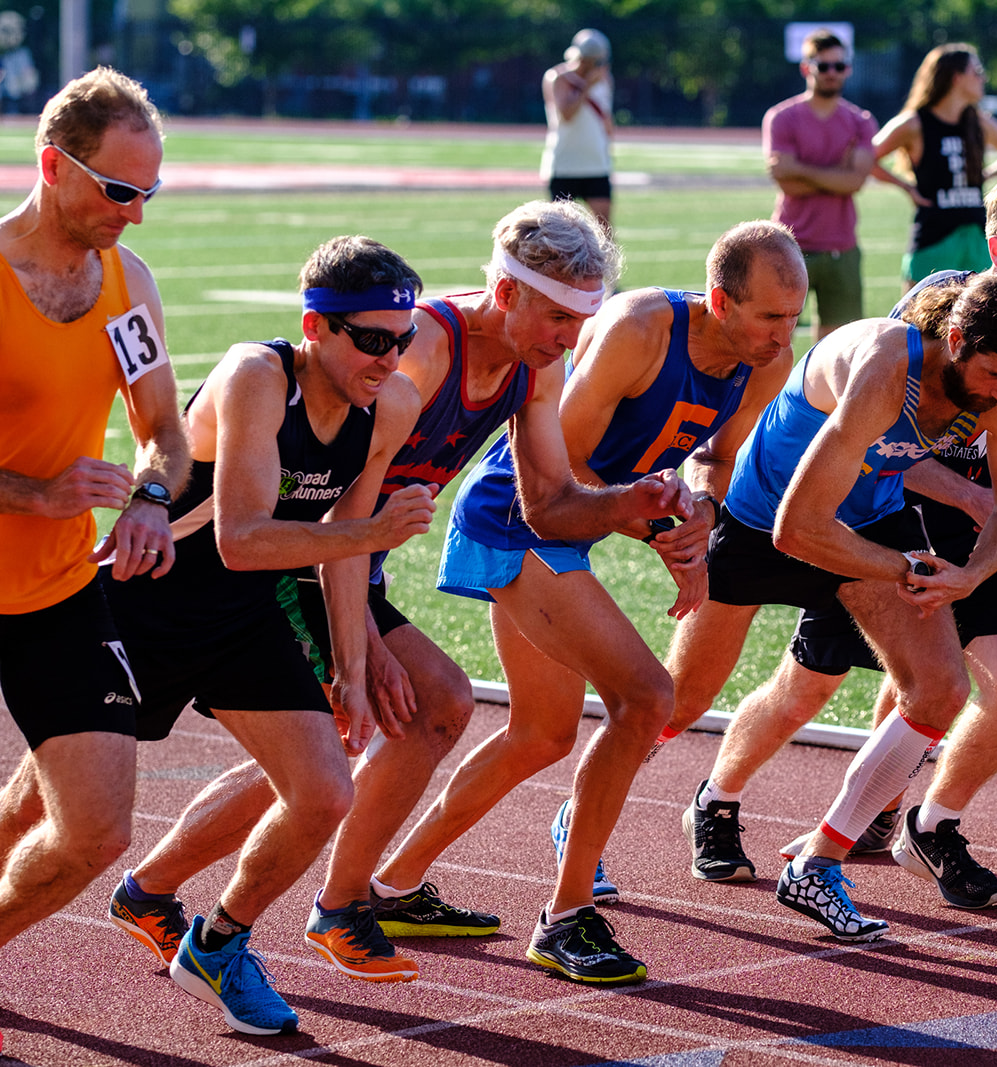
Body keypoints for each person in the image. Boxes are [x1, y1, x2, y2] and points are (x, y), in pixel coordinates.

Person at [107, 200, 618, 986]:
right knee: (375, 722)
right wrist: (362, 646)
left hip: (329, 553)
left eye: (582, 318)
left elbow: (544, 500)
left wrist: (640, 509)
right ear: (509, 293)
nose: (569, 336)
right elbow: (310, 512)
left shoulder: (528, 367)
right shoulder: (409, 362)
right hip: (267, 560)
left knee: (400, 718)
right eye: (557, 314)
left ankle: (246, 901)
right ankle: (274, 901)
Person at [661, 177, 997, 914]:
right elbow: (797, 528)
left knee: (941, 687)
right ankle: (657, 806)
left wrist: (967, 575)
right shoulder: (887, 365)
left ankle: (819, 861)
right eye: (996, 377)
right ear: (960, 341)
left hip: (876, 513)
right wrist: (909, 567)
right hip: (767, 514)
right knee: (682, 698)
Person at [376, 221, 807, 985]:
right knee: (646, 698)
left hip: (578, 524)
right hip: (517, 518)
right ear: (719, 300)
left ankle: (393, 885)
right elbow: (557, 474)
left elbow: (718, 460)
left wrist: (696, 516)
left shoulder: (760, 362)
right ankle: (568, 914)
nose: (785, 335)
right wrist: (651, 520)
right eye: (772, 317)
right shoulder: (641, 329)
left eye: (796, 315)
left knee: (540, 735)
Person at [102, 236, 433, 1035]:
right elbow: (241, 539)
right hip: (145, 602)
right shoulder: (258, 375)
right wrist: (374, 530)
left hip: (243, 616)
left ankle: (218, 943)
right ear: (317, 328)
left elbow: (347, 535)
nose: (391, 356)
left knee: (325, 791)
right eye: (372, 338)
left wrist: (353, 666)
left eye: (405, 337)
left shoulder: (390, 405)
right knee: (62, 815)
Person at [0, 69, 188, 997]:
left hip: (58, 589)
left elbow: (162, 428)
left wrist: (151, 497)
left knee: (97, 834)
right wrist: (29, 490)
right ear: (52, 167)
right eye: (120, 191)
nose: (137, 214)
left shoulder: (125, 284)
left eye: (148, 192)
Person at [872, 43, 997, 289]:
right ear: (956, 78)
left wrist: (984, 175)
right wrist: (906, 187)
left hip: (976, 233)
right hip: (934, 236)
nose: (983, 78)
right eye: (976, 71)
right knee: (920, 321)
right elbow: (868, 157)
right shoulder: (915, 123)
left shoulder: (977, 121)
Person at [763, 29, 878, 341]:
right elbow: (787, 183)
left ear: (848, 69)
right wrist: (836, 174)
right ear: (806, 68)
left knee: (838, 347)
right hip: (790, 245)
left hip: (842, 247)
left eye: (839, 66)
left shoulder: (861, 121)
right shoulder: (781, 118)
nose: (832, 73)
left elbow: (854, 182)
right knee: (772, 341)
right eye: (823, 66)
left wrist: (800, 169)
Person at [541, 29, 614, 233]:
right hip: (565, 165)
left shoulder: (605, 80)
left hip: (596, 164)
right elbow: (567, 114)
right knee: (560, 232)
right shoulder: (558, 77)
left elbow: (606, 119)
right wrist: (586, 86)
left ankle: (603, 267)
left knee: (604, 230)